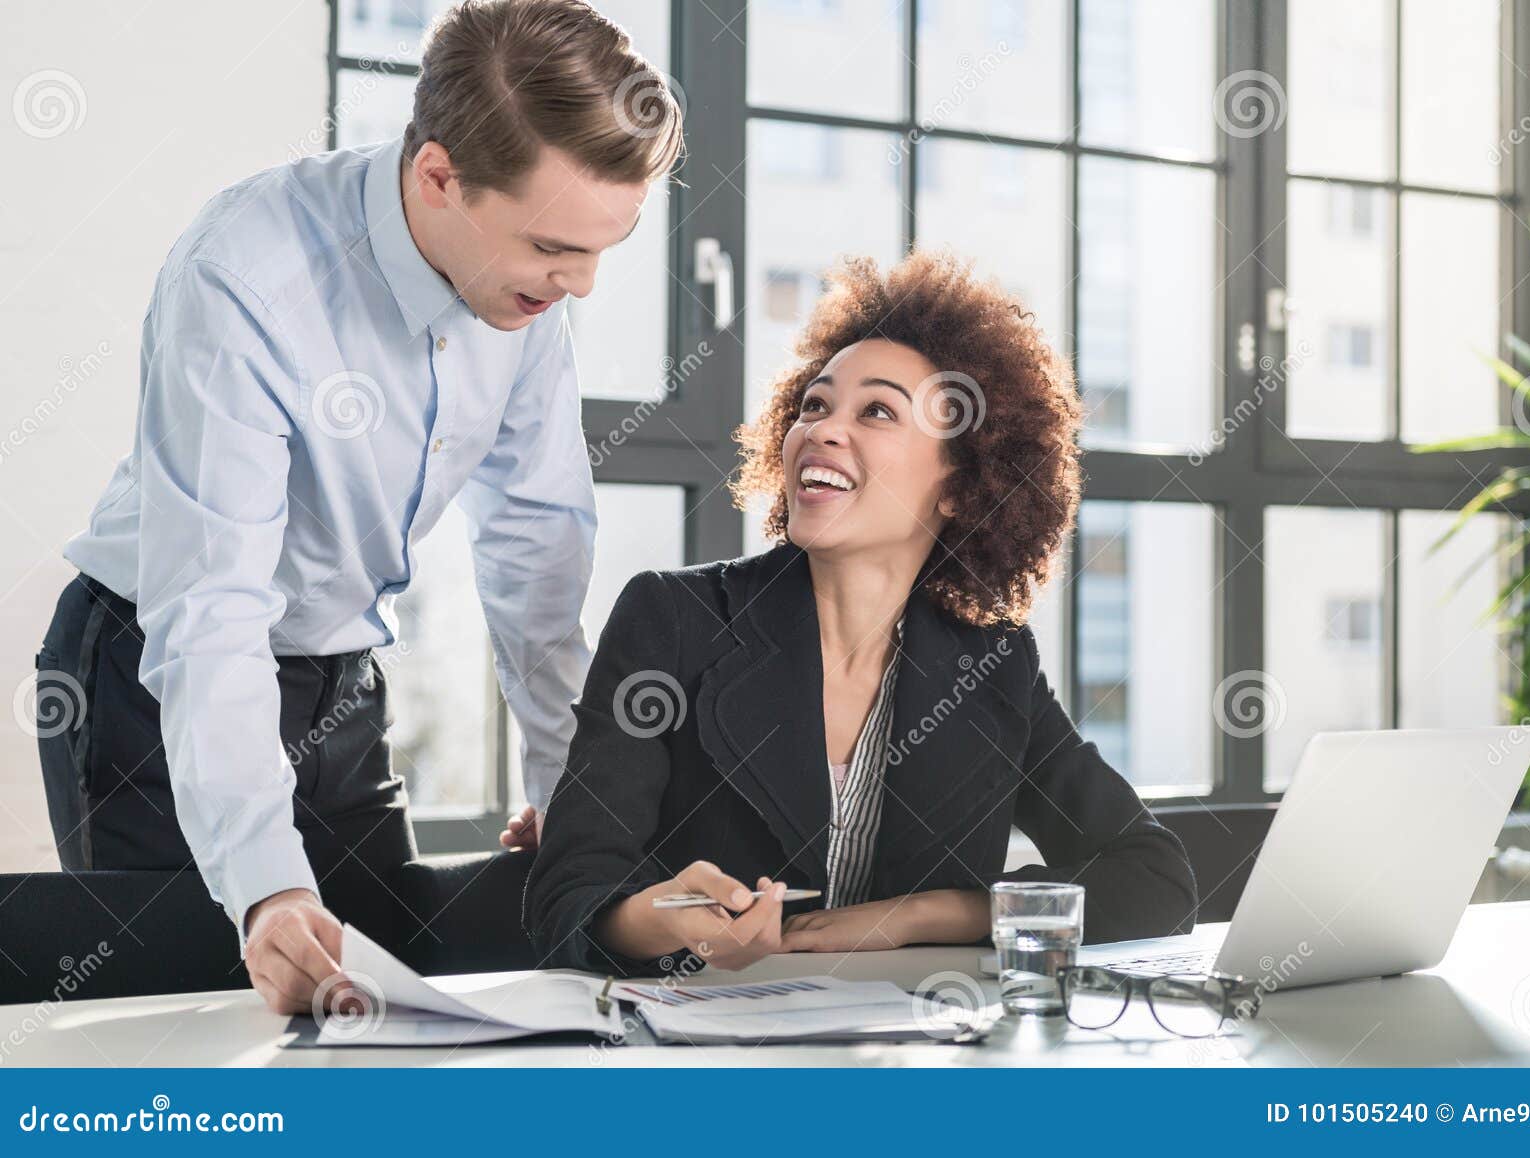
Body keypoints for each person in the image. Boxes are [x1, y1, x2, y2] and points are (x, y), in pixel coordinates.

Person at [34, 0, 682, 1014]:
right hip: (147, 679)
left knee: (384, 1001)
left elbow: (536, 558)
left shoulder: (530, 288)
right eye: (557, 247)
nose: (584, 286)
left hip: (340, 678)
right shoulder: (246, 272)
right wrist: (269, 888)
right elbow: (211, 612)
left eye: (607, 249)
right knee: (193, 1009)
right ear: (438, 176)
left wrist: (573, 796)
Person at [524, 250, 1198, 975]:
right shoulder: (675, 619)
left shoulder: (993, 666)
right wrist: (671, 919)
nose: (822, 430)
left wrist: (931, 915)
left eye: (876, 410)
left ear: (962, 487)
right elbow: (566, 900)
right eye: (814, 405)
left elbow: (1155, 879)